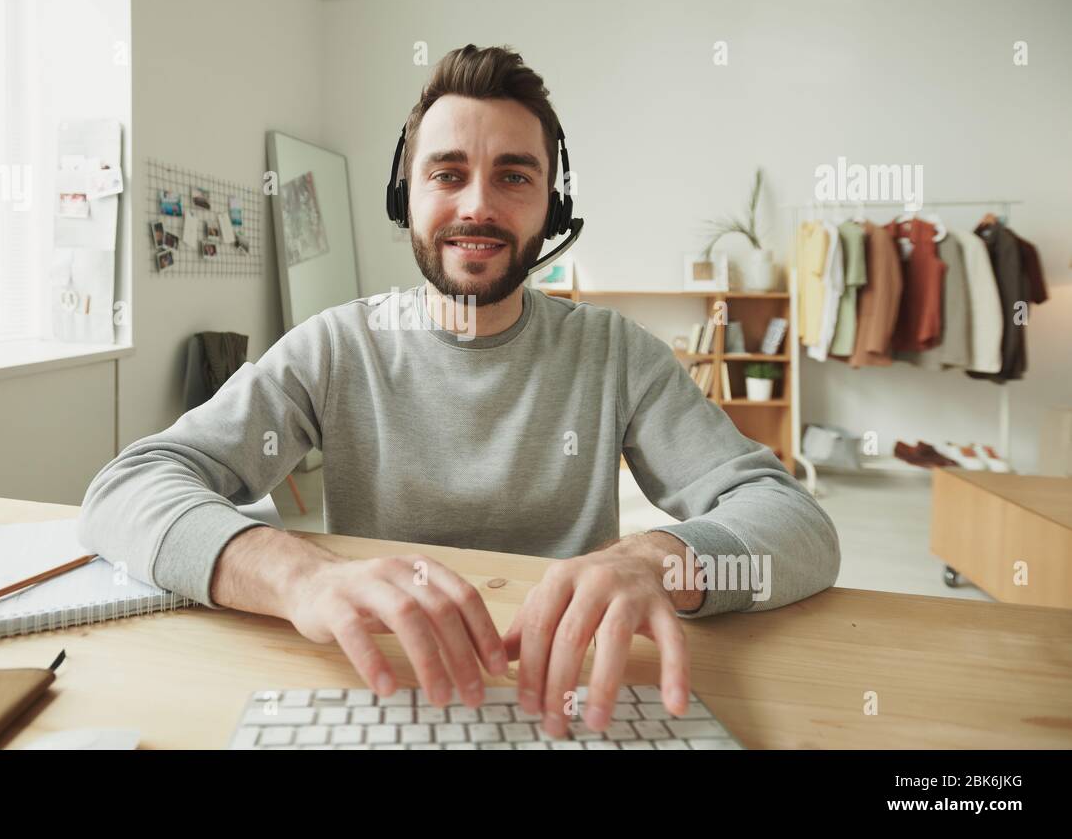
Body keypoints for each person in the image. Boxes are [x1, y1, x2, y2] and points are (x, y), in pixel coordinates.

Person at [79, 44, 840, 738]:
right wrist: (298, 576)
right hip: (382, 688)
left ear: (554, 207)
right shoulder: (337, 347)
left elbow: (798, 527)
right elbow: (127, 489)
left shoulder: (615, 355)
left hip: (569, 697)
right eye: (448, 174)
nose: (477, 205)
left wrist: (656, 559)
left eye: (513, 175)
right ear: (405, 196)